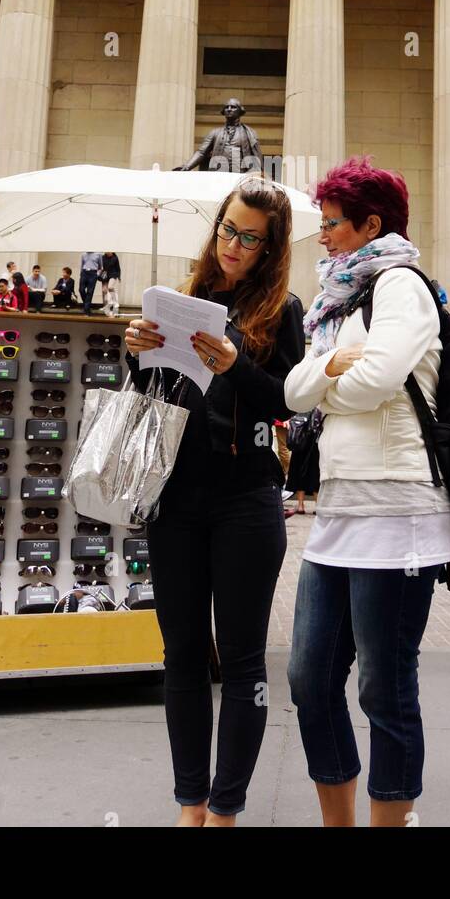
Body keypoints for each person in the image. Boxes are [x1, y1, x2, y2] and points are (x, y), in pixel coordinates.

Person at [124, 174, 304, 826]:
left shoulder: (284, 313)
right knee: (182, 655)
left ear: (270, 247)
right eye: (228, 229)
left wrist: (237, 366)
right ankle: (190, 804)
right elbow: (152, 397)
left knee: (244, 659)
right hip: (175, 497)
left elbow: (287, 404)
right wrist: (136, 353)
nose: (233, 245)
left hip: (247, 501)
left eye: (249, 238)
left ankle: (226, 809)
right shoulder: (185, 298)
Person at [284, 157, 450, 829]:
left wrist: (323, 382)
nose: (321, 236)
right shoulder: (334, 304)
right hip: (340, 511)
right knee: (308, 678)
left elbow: (375, 381)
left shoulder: (402, 286)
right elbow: (292, 394)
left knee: (384, 686)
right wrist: (326, 370)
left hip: (399, 512)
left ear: (369, 224)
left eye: (331, 224)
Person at [79, 251, 103, 316]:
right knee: (81, 290)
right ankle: (87, 306)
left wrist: (97, 275)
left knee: (90, 292)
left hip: (93, 273)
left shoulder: (99, 254)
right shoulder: (83, 254)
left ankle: (86, 311)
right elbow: (81, 264)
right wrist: (81, 274)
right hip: (84, 272)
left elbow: (101, 267)